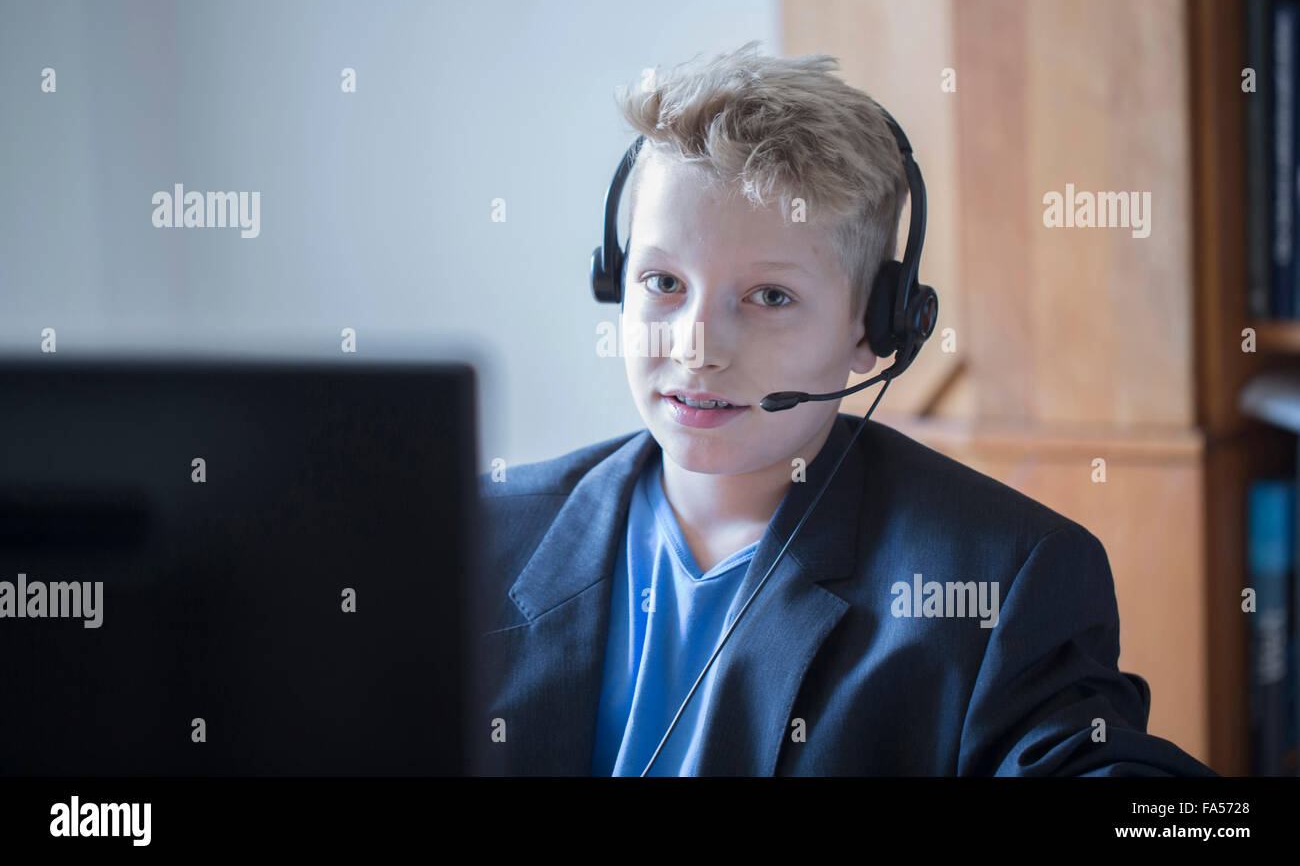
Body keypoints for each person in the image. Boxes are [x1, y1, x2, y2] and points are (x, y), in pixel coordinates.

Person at [470, 41, 1217, 776]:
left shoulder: (996, 582)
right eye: (663, 283)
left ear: (877, 327)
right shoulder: (473, 533)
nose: (698, 348)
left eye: (769, 298)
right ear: (614, 280)